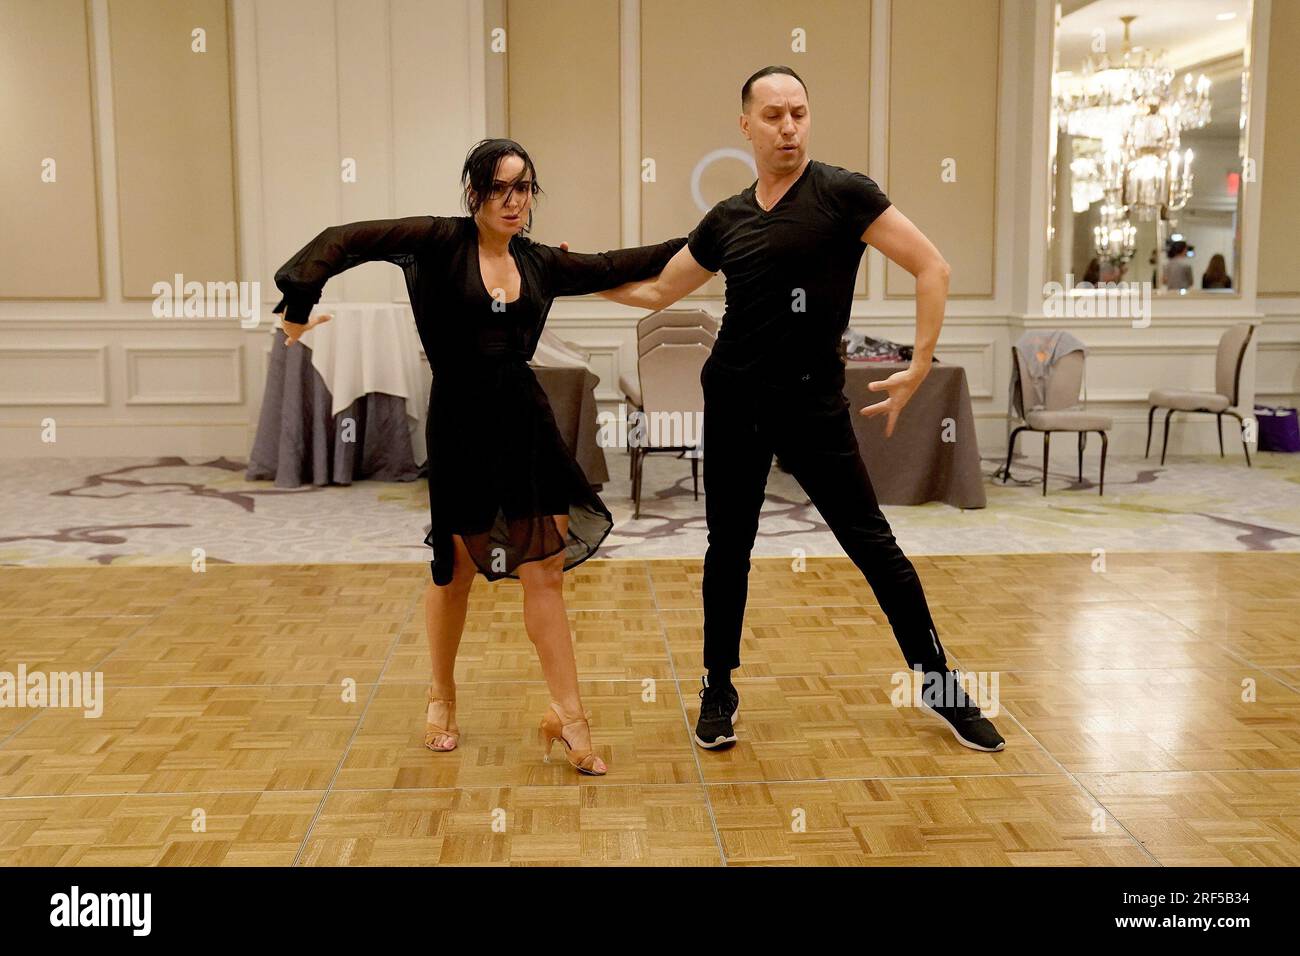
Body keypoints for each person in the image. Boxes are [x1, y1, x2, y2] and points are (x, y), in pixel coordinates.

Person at [600, 66, 1006, 753]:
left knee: (872, 544)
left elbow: (932, 267)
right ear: (746, 126)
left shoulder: (844, 194)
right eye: (773, 115)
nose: (788, 126)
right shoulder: (727, 218)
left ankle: (940, 686)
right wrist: (565, 274)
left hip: (813, 403)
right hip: (732, 397)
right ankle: (718, 690)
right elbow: (656, 294)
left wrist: (919, 365)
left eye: (798, 113)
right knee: (728, 547)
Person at [272, 138, 686, 775]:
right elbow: (342, 238)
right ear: (475, 192)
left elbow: (617, 264)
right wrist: (297, 305)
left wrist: (717, 232)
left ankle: (569, 716)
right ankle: (442, 694)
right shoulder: (436, 242)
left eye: (523, 188)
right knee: (455, 570)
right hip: (461, 424)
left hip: (525, 421)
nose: (514, 201)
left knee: (543, 568)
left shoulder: (539, 262)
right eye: (501, 188)